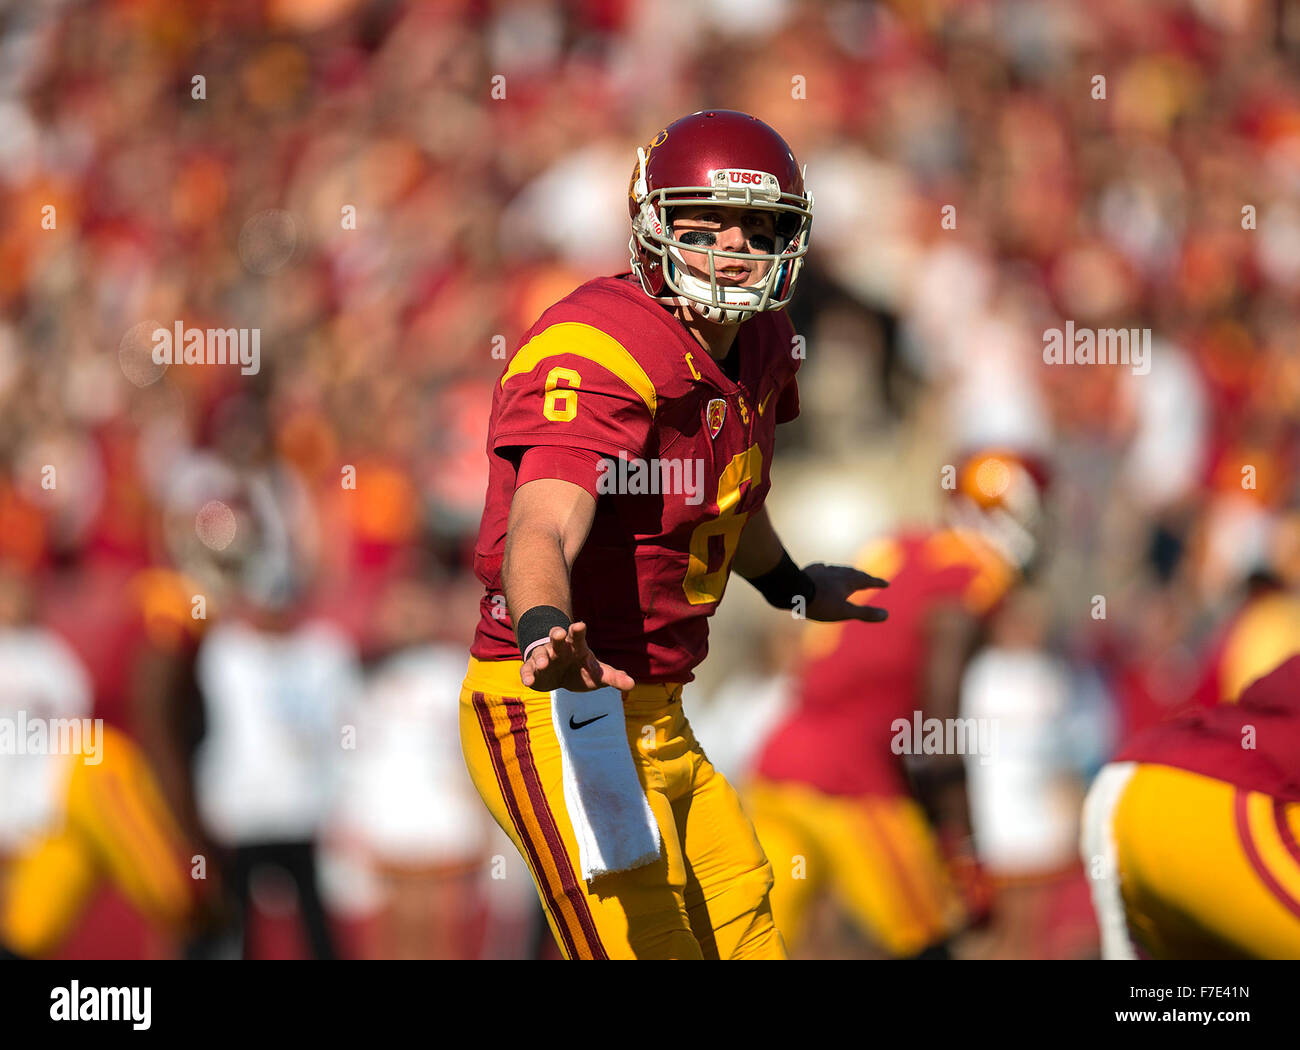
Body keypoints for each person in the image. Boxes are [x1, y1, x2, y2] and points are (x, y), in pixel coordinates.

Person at [458, 110, 888, 960]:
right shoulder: (602, 346)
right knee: (648, 946)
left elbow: (725, 497)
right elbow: (542, 521)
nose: (734, 248)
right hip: (555, 705)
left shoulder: (762, 340)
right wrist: (546, 628)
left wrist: (793, 585)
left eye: (758, 230)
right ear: (654, 231)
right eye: (705, 227)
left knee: (746, 927)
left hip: (660, 710)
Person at [744, 450, 1043, 958]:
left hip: (776, 764)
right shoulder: (974, 573)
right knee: (930, 941)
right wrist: (964, 847)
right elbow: (940, 720)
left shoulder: (902, 543)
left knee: (757, 944)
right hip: (848, 782)